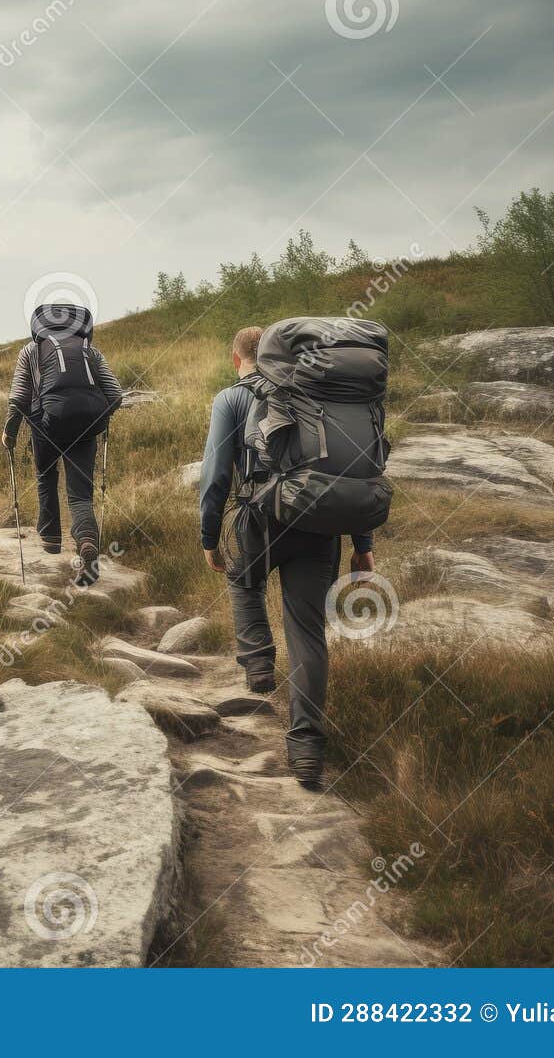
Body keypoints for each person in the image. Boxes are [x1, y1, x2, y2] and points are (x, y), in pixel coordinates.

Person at [198, 325, 375, 792]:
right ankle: (307, 752)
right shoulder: (319, 394)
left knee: (242, 577)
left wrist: (209, 535)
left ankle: (257, 666)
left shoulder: (232, 398)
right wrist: (363, 542)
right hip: (320, 522)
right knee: (308, 632)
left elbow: (215, 473)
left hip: (262, 517)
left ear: (238, 358)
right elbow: (358, 464)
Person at [1, 303, 122, 582]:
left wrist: (9, 433)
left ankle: (51, 538)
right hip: (86, 428)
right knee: (80, 496)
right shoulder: (90, 351)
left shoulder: (31, 351)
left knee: (46, 477)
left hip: (45, 427)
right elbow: (115, 394)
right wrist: (99, 421)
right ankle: (88, 544)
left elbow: (19, 397)